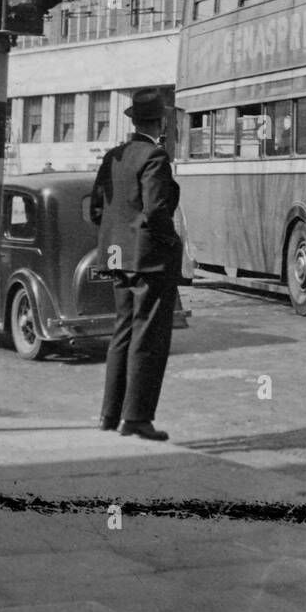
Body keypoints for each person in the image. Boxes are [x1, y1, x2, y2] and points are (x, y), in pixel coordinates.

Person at [90, 88, 182, 442]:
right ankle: (137, 417)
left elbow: (97, 209)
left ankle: (109, 414)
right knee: (149, 337)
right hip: (148, 260)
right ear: (159, 123)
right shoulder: (154, 157)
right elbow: (157, 210)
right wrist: (171, 243)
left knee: (123, 332)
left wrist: (120, 241)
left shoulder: (114, 155)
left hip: (117, 256)